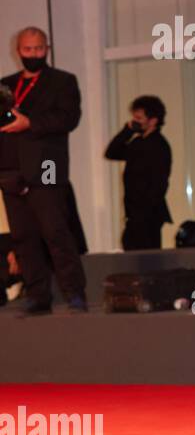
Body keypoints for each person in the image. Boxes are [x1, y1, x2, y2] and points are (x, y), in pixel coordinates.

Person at [0, 27, 88, 314]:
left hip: (48, 166)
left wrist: (31, 123)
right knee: (24, 236)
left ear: (47, 48)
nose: (34, 54)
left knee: (55, 231)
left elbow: (68, 118)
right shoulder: (6, 85)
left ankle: (75, 292)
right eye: (28, 50)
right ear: (18, 50)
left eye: (39, 49)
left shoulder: (63, 81)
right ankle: (38, 295)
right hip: (11, 168)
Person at [104, 95, 172, 250]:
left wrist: (145, 211)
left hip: (148, 215)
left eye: (139, 118)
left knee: (147, 261)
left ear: (153, 120)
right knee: (130, 251)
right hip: (133, 214)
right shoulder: (137, 142)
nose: (135, 121)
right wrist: (127, 130)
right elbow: (111, 152)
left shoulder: (160, 146)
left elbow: (160, 183)